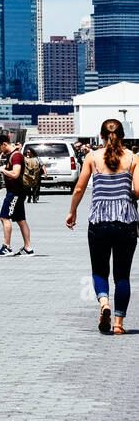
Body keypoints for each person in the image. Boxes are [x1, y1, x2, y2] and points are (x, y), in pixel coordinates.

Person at [67, 119, 137, 335]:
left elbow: (79, 188)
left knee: (99, 270)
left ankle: (104, 303)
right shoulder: (133, 158)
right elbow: (138, 191)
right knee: (122, 275)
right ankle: (118, 324)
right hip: (126, 223)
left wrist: (72, 211)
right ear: (123, 136)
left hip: (99, 222)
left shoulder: (92, 157)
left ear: (100, 136)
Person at [0, 134, 33, 256]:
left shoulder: (15, 156)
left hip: (15, 193)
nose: (0, 151)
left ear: (4, 144)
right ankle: (28, 248)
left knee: (4, 217)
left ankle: (7, 247)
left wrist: (3, 170)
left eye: (0, 148)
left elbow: (15, 173)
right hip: (18, 192)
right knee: (21, 220)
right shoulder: (14, 155)